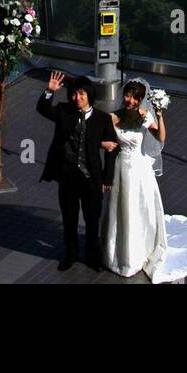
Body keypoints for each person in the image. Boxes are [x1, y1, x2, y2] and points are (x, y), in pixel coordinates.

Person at [37, 70, 118, 271]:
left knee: (92, 220)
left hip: (91, 178)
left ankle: (92, 256)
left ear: (90, 95)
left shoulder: (103, 119)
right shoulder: (64, 111)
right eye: (74, 94)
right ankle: (70, 254)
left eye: (82, 94)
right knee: (69, 218)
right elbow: (43, 109)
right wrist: (49, 90)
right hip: (67, 176)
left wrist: (107, 178)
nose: (77, 98)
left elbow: (111, 150)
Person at [100, 79, 169, 282]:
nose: (129, 100)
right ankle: (117, 253)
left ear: (140, 100)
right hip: (121, 167)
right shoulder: (114, 117)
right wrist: (104, 144)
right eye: (127, 96)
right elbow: (100, 137)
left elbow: (160, 137)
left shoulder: (145, 116)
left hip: (139, 169)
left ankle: (139, 251)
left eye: (134, 97)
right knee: (119, 208)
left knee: (140, 208)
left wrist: (159, 115)